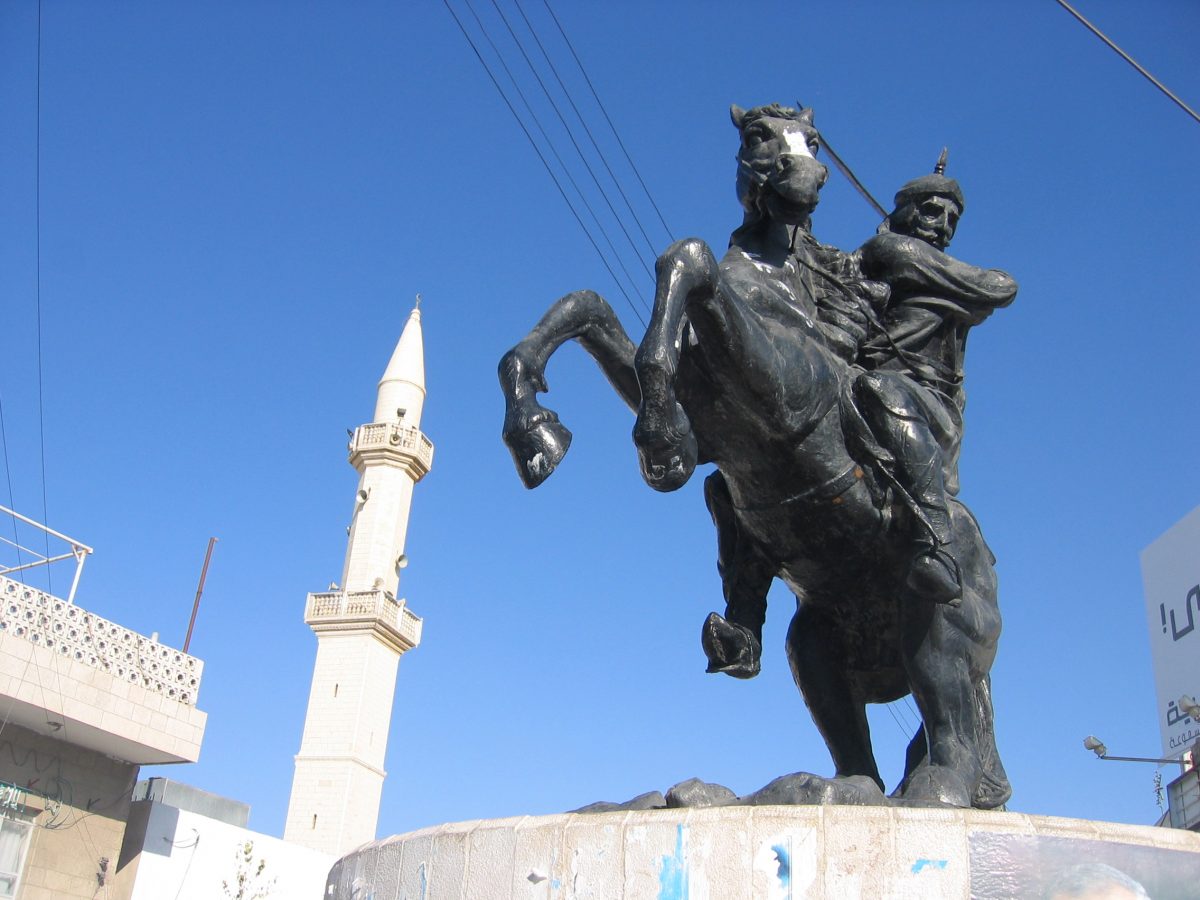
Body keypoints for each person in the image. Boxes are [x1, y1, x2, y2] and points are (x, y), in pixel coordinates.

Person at [848, 159, 1017, 604]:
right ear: (903, 213)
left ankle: (937, 544)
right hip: (859, 383)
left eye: (952, 219)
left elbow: (1002, 287)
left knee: (885, 388)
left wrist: (946, 289)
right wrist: (961, 297)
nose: (943, 225)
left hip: (926, 404)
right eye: (931, 212)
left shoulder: (906, 256)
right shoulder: (889, 252)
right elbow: (983, 293)